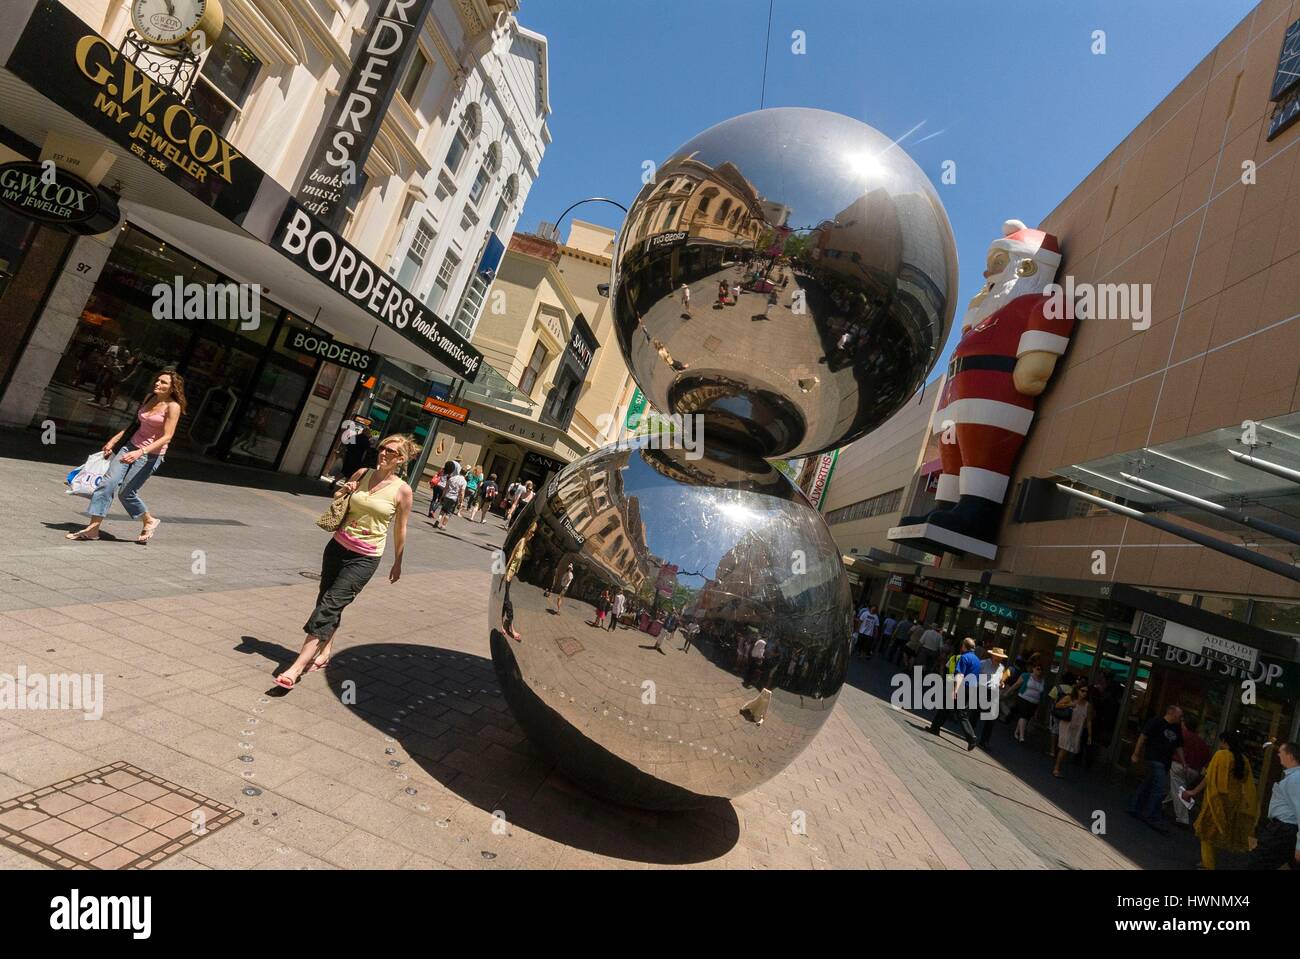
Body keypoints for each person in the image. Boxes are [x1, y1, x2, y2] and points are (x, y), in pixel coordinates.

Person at [276, 433, 416, 689]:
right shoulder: (362, 474)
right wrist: (344, 490)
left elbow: (401, 528)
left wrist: (398, 561)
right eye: (382, 448)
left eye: (391, 451)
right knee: (326, 599)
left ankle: (296, 668)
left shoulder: (403, 491)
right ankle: (325, 651)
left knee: (330, 604)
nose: (383, 453)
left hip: (365, 557)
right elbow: (338, 500)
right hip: (337, 547)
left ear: (401, 459)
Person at [66, 369, 185, 544]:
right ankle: (93, 529)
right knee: (107, 483)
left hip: (150, 455)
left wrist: (141, 452)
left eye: (163, 383)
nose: (158, 384)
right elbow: (135, 425)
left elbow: (167, 436)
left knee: (126, 493)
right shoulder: (149, 398)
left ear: (173, 388)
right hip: (129, 447)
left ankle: (148, 520)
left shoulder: (173, 407)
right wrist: (114, 440)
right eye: (158, 380)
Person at [1181, 730, 1258, 869]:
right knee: (1216, 833)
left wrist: (1192, 792)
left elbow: (1209, 778)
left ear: (1225, 742)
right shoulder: (1244, 760)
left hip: (1216, 800)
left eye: (1221, 741)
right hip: (1233, 802)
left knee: (1206, 833)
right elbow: (1246, 784)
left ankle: (1208, 865)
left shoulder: (1220, 756)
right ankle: (1206, 862)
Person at [1129, 704, 1185, 833]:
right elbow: (1143, 736)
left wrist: (1183, 762)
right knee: (1161, 787)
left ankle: (1134, 807)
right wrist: (1136, 753)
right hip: (1154, 757)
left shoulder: (1176, 728)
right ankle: (1150, 814)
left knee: (1148, 783)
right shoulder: (1156, 722)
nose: (1180, 718)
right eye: (1179, 715)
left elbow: (1179, 745)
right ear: (1171, 712)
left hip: (1165, 761)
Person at [1248, 740, 1299, 870]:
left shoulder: (1295, 780)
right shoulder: (1293, 777)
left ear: (1290, 756)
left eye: (1280, 752)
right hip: (1283, 830)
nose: (1278, 755)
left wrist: (1299, 846)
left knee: (1258, 863)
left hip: (1282, 830)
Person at [928, 637, 981, 750]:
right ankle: (935, 728)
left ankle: (971, 737)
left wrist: (955, 690)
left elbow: (960, 675)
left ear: (963, 646)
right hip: (971, 688)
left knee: (955, 711)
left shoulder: (964, 658)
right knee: (951, 710)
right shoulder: (977, 660)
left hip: (961, 687)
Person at [1167, 715, 1212, 828]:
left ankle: (1182, 819)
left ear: (1184, 724)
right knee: (1176, 788)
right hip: (1194, 771)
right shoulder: (1202, 743)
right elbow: (1207, 760)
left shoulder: (1181, 734)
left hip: (1178, 765)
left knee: (1177, 789)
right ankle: (1161, 803)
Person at [1051, 684, 1093, 777]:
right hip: (1066, 726)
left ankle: (1058, 766)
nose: (1084, 693)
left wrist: (1090, 734)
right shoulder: (1070, 698)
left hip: (1077, 729)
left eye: (1086, 692)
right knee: (1065, 747)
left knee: (1068, 748)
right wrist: (1069, 705)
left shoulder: (1087, 705)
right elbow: (1057, 705)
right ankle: (1056, 769)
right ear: (1077, 690)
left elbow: (1089, 720)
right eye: (1082, 690)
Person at [977, 647, 1010, 748]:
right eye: (997, 657)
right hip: (982, 690)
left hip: (994, 692)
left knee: (992, 718)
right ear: (992, 655)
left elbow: (1000, 681)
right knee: (975, 714)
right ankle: (969, 734)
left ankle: (984, 741)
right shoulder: (982, 663)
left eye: (1001, 657)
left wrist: (1002, 684)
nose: (999, 659)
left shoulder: (1002, 668)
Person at [1009, 661, 1046, 743]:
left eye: (1041, 670)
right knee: (1023, 716)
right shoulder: (1026, 676)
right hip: (1023, 698)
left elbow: (1042, 694)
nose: (1039, 671)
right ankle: (1022, 736)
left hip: (1034, 702)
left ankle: (1016, 732)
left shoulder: (1042, 681)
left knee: (1026, 718)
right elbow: (1016, 685)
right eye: (1038, 669)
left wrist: (1040, 705)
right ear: (1033, 669)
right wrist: (1008, 691)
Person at [435, 462, 466, 529]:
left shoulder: (452, 478)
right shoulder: (464, 481)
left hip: (447, 495)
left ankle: (438, 519)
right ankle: (443, 526)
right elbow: (462, 492)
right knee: (449, 512)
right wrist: (461, 501)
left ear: (460, 471)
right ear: (465, 474)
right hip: (454, 498)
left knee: (443, 510)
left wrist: (442, 496)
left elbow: (446, 488)